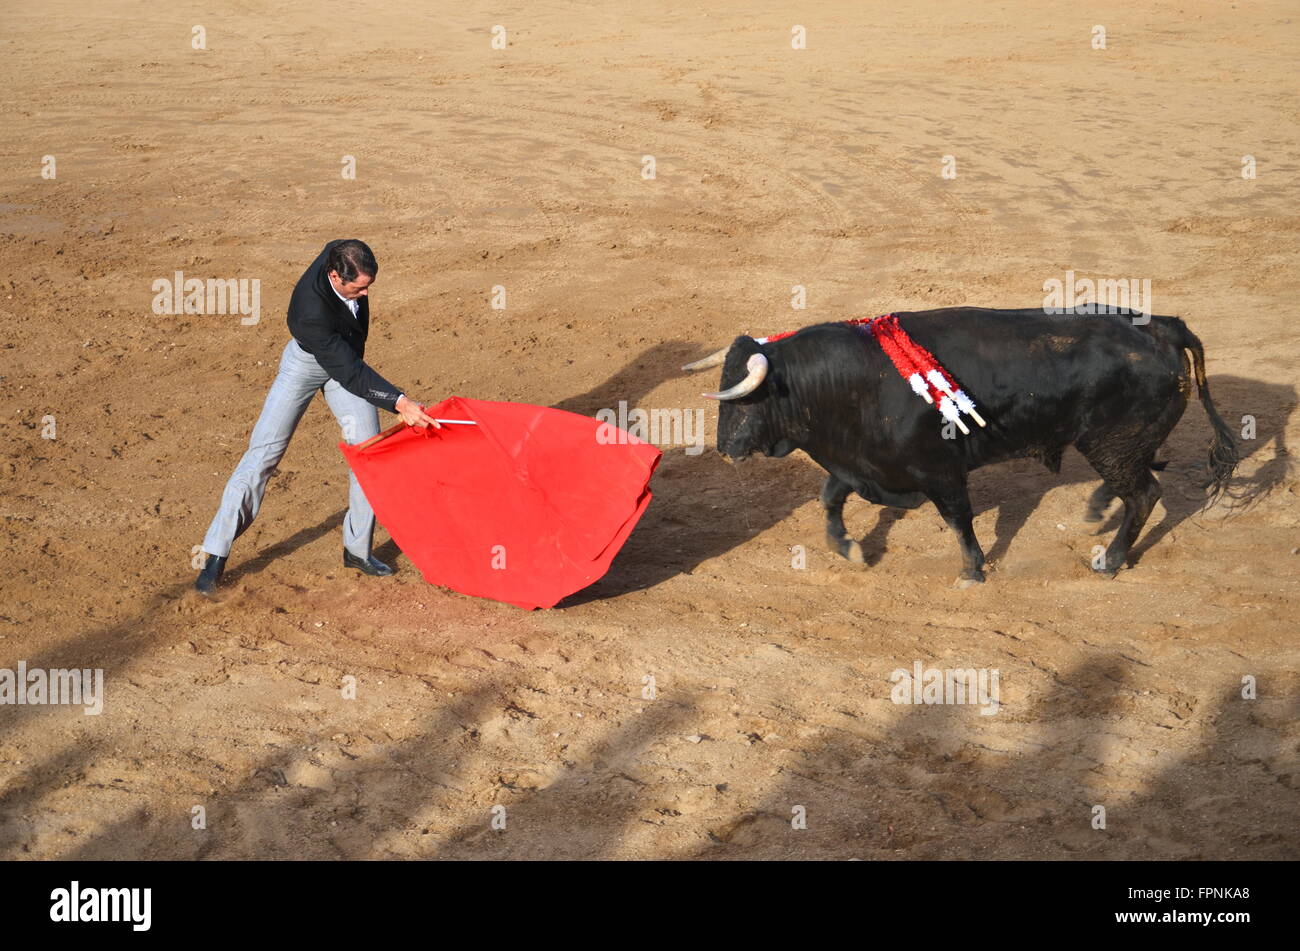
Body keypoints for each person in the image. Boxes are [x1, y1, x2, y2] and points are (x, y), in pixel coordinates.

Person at [194, 239, 439, 594]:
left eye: (369, 285)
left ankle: (357, 551)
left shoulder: (341, 254)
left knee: (369, 454)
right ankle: (215, 555)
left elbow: (350, 366)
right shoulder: (309, 312)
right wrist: (400, 403)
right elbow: (350, 372)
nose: (367, 294)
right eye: (360, 288)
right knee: (264, 454)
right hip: (307, 365)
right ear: (335, 276)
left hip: (346, 362)